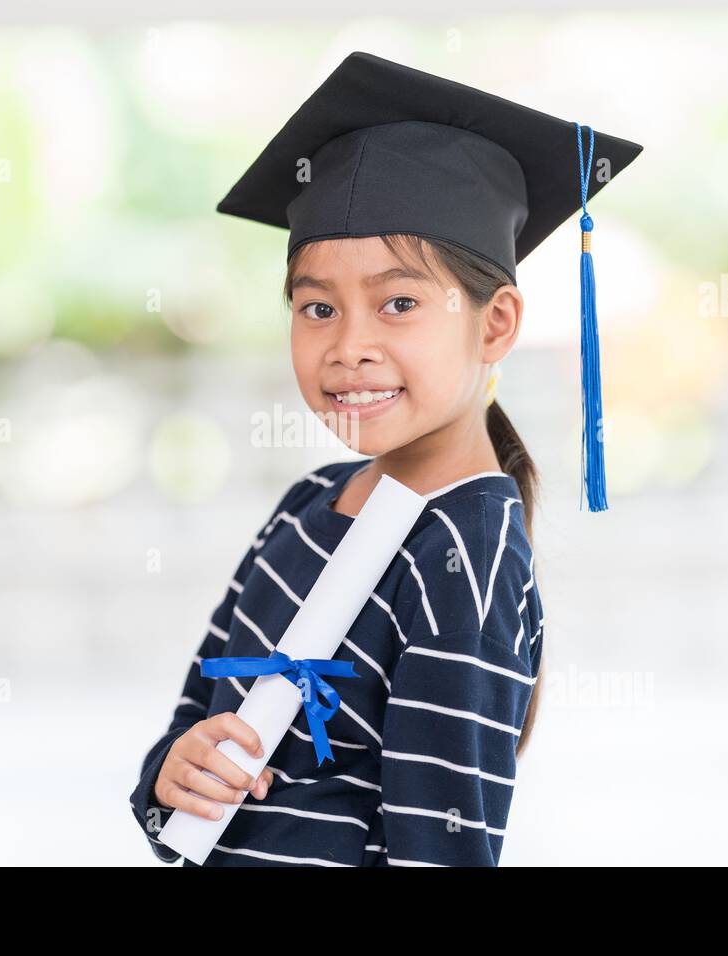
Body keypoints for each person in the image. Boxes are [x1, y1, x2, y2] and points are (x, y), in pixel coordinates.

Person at [128, 50, 641, 866]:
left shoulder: (462, 559)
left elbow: (440, 850)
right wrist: (172, 779)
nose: (349, 347)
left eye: (400, 303)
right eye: (317, 307)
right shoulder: (307, 504)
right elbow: (189, 729)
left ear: (496, 324)